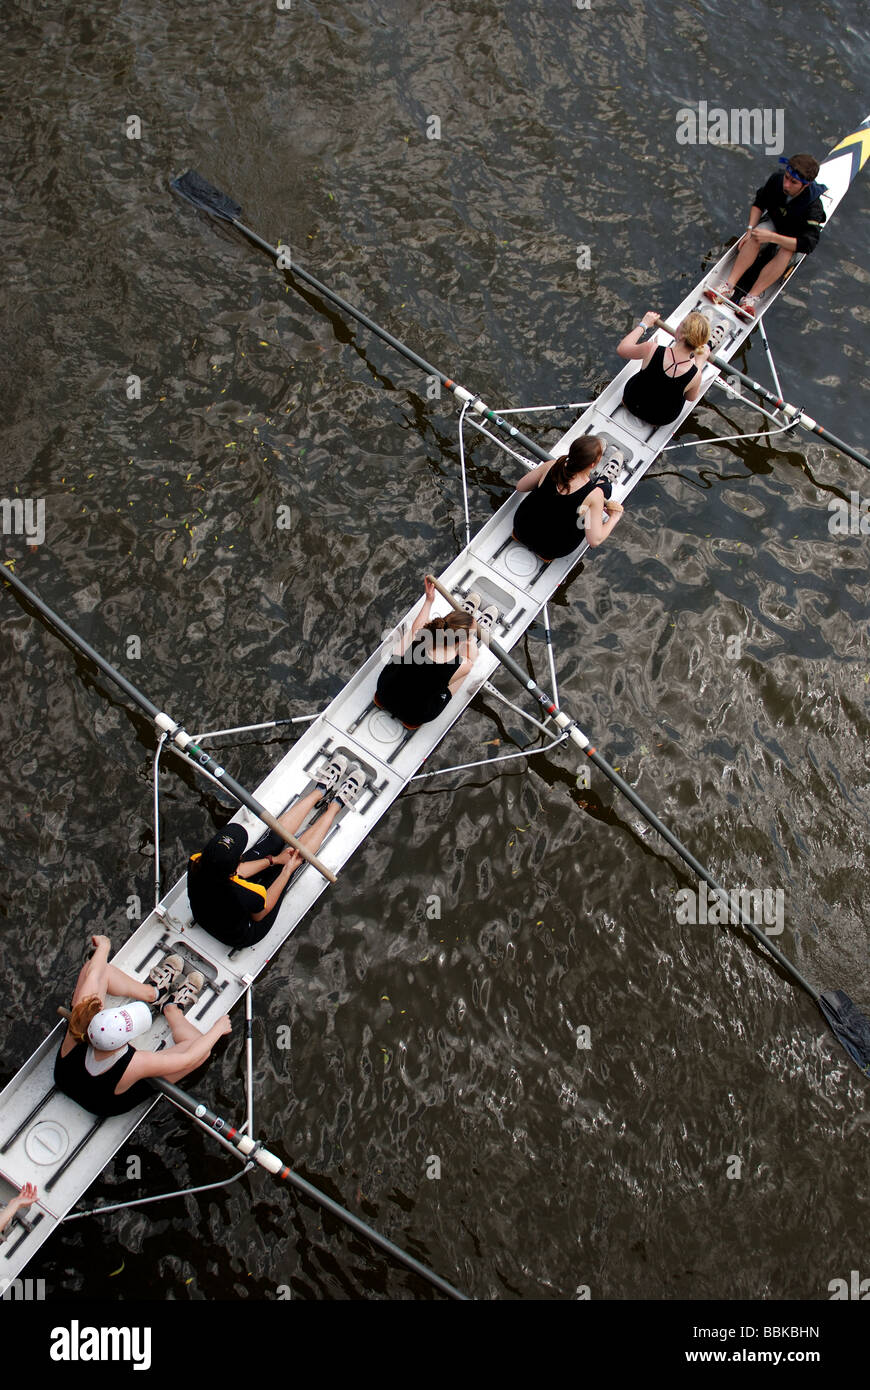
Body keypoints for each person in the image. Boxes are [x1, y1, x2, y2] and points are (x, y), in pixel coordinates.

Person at [187, 756, 366, 948]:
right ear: (235, 865)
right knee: (293, 860)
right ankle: (335, 806)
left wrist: (274, 859)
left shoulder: (197, 861)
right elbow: (261, 911)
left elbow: (238, 871)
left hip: (211, 907)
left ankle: (319, 791)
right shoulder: (249, 894)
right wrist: (286, 868)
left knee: (273, 839)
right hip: (244, 931)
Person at [54, 934, 231, 1118]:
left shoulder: (79, 1020)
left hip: (63, 1077)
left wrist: (104, 947)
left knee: (98, 969)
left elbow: (94, 973)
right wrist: (218, 1028)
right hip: (103, 1105)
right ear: (127, 1043)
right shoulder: (136, 1063)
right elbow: (188, 1057)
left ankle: (153, 992)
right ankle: (172, 1010)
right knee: (203, 1051)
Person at [705, 153, 827, 318]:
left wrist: (773, 238)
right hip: (775, 223)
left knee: (785, 251)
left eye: (793, 182)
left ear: (806, 185)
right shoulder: (777, 180)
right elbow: (759, 203)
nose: (786, 184)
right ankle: (728, 285)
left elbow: (808, 245)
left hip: (793, 240)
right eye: (787, 177)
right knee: (756, 235)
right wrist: (749, 230)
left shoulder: (814, 207)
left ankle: (750, 299)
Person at [375, 577, 484, 729]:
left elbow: (418, 625)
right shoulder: (461, 665)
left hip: (384, 693)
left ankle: (379, 701)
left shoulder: (423, 635)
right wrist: (471, 639)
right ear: (462, 641)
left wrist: (429, 600)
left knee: (410, 637)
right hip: (415, 715)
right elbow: (471, 660)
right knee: (463, 673)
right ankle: (411, 724)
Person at [512, 435, 624, 560]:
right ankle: (605, 479)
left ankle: (601, 473)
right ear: (593, 464)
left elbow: (521, 486)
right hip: (551, 549)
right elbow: (594, 541)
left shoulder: (551, 465)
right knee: (604, 490)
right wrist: (614, 517)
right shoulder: (595, 495)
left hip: (520, 529)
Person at [618, 310, 711, 425]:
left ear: (682, 335)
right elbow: (691, 397)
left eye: (681, 324)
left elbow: (622, 349)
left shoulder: (651, 349)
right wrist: (699, 363)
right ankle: (708, 346)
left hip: (631, 402)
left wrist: (644, 324)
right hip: (660, 419)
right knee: (683, 388)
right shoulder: (696, 374)